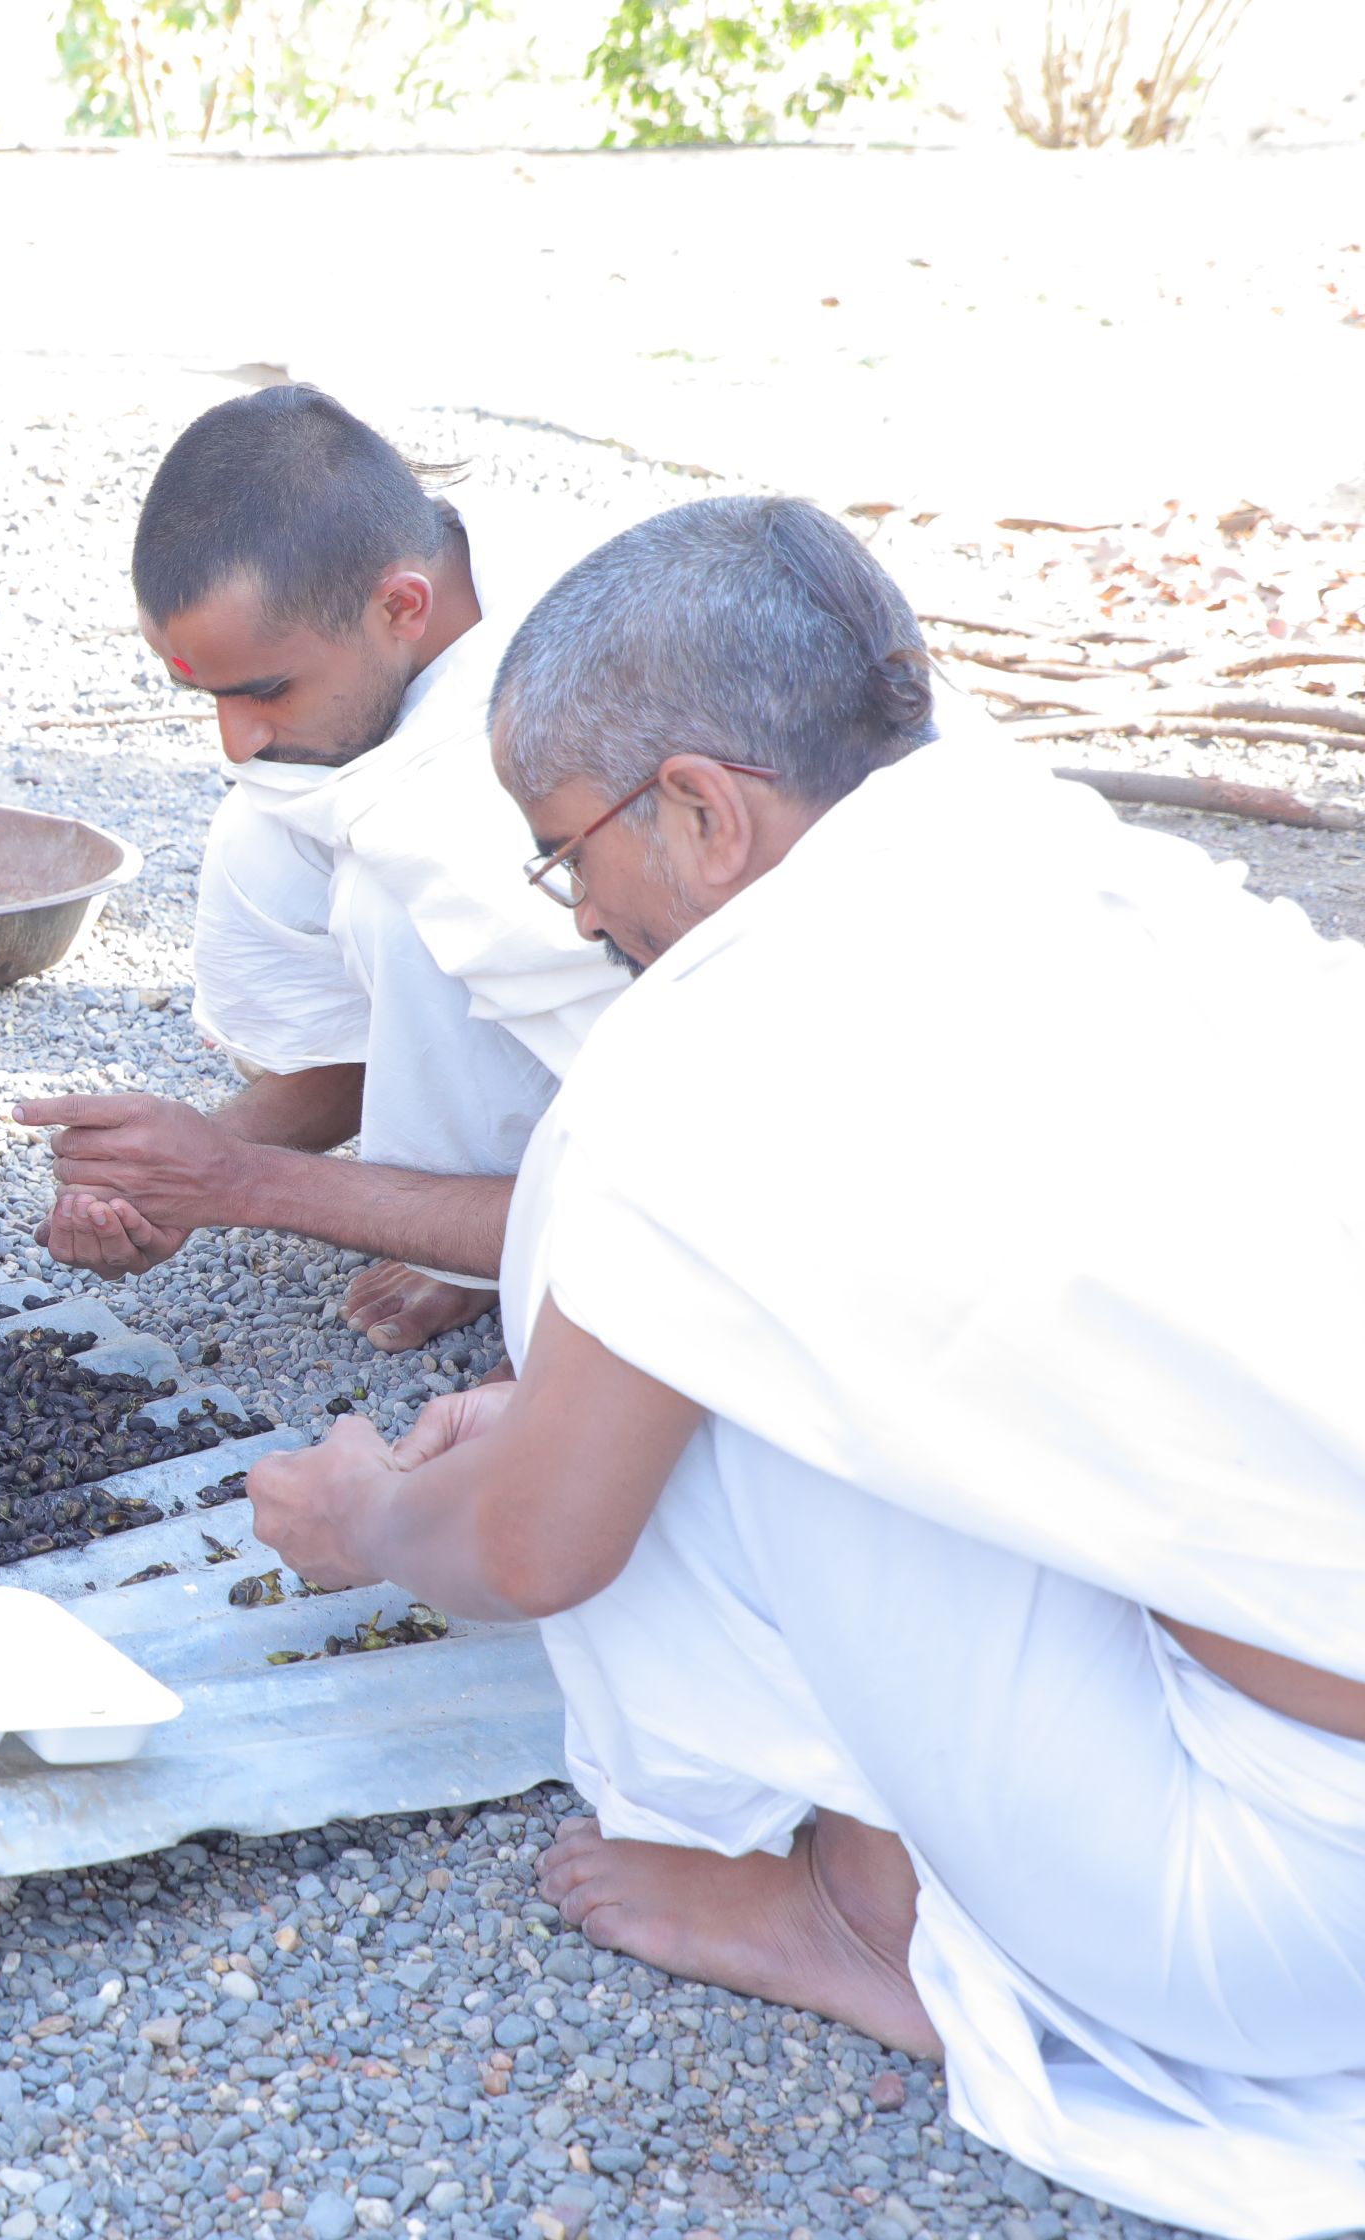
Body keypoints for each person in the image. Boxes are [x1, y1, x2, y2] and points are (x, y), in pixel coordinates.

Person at [243, 497, 1365, 2239]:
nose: (585, 912)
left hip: (1282, 1936)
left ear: (698, 806)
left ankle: (858, 1907)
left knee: (700, 1330)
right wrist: (557, 1418)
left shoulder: (712, 1047)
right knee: (726, 1322)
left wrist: (369, 1515)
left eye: (568, 851)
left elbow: (536, 1550)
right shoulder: (1079, 857)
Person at [17, 386, 627, 1354]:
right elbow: (357, 1046)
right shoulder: (400, 608)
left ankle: (470, 1228)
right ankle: (445, 1208)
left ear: (401, 605)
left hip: (763, 1130)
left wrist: (249, 1185)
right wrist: (177, 1167)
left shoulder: (579, 693)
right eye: (204, 692)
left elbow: (694, 1200)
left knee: (392, 895)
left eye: (265, 689)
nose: (234, 735)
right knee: (263, 823)